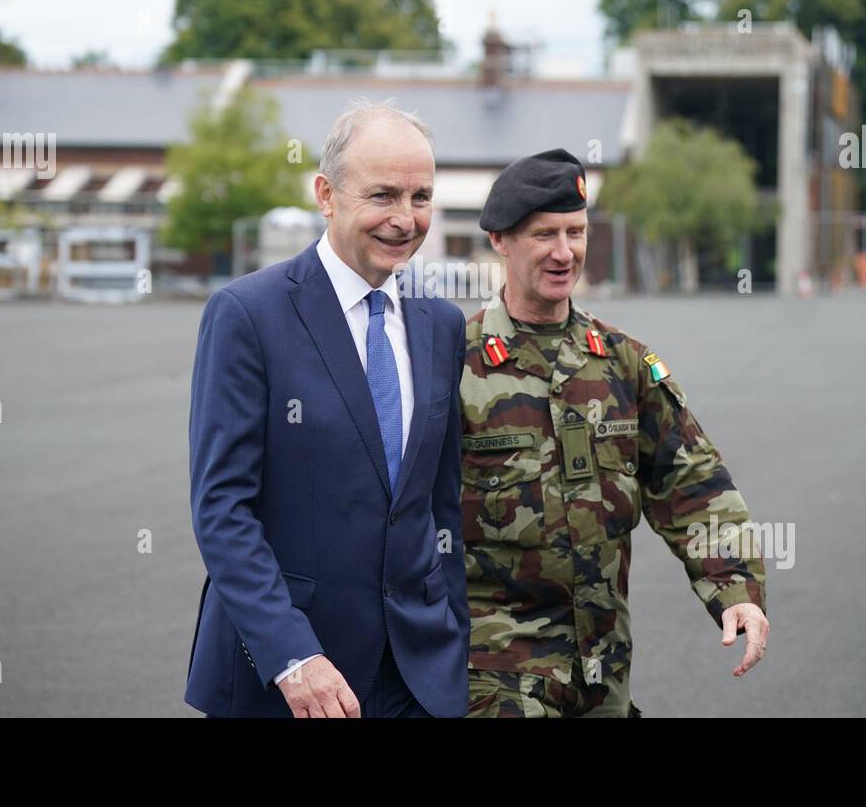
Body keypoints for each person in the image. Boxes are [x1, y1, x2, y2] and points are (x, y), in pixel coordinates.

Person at [459, 149, 769, 717]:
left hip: (602, 667)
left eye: (575, 232)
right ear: (500, 241)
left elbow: (693, 483)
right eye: (543, 234)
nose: (564, 252)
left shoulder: (623, 363)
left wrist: (735, 589)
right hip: (494, 672)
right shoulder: (454, 365)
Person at [184, 102, 469, 718]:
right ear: (326, 195)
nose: (404, 218)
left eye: (421, 197)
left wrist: (454, 634)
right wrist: (291, 658)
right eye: (383, 195)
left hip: (419, 677)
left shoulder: (441, 323)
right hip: (290, 679)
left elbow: (440, 504)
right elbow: (222, 509)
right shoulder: (247, 316)